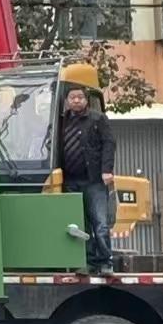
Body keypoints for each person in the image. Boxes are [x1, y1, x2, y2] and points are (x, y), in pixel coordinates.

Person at [57, 85, 117, 273]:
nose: (76, 100)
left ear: (86, 100)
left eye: (80, 97)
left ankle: (105, 262)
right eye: (72, 97)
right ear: (67, 100)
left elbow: (109, 143)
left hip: (94, 180)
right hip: (70, 181)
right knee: (80, 224)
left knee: (100, 223)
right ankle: (88, 262)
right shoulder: (61, 121)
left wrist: (107, 170)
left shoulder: (98, 119)